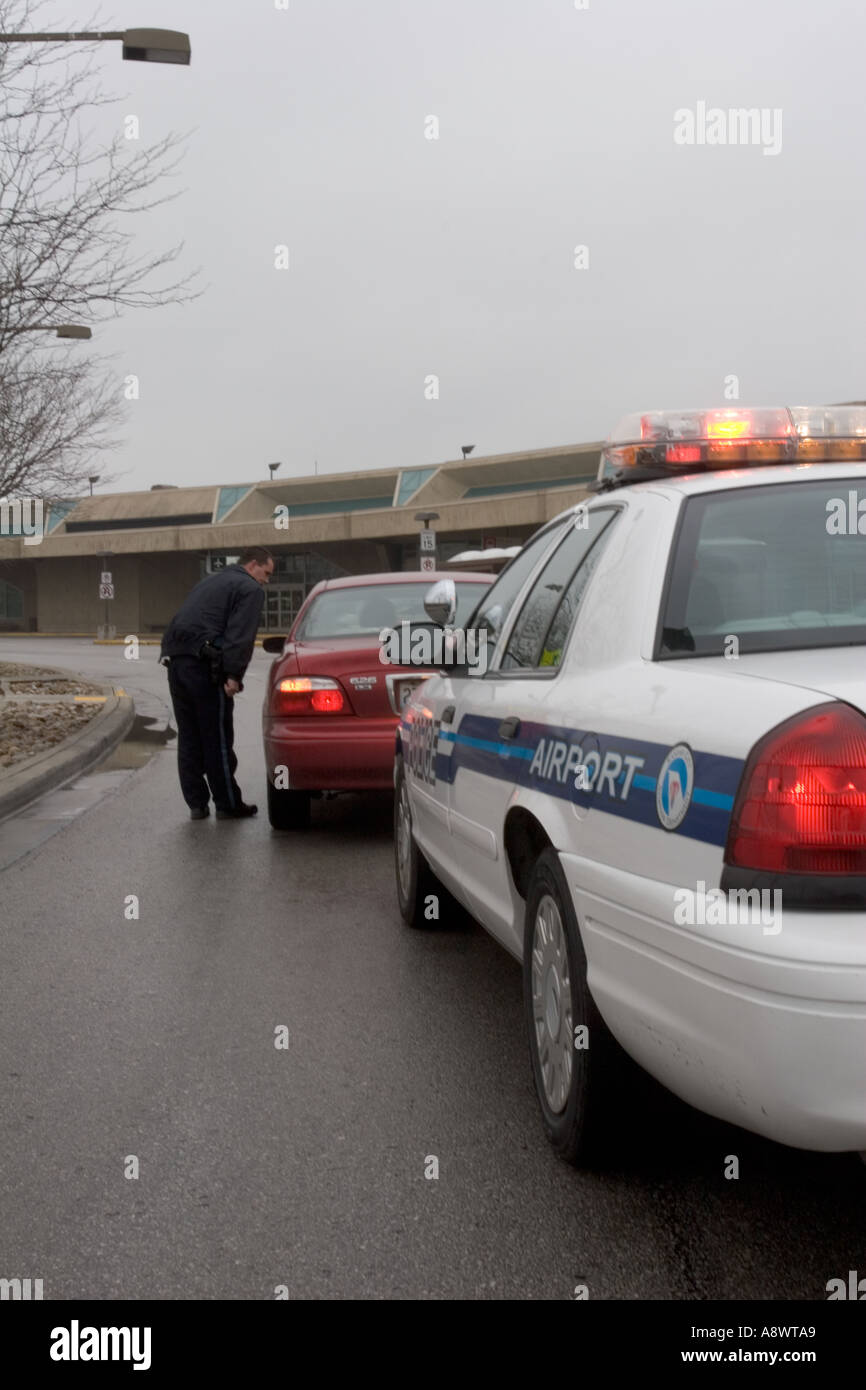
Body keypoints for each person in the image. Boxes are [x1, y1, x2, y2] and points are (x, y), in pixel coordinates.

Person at [160, 547, 274, 819]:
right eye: (266, 573)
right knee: (217, 738)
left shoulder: (211, 580)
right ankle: (227, 803)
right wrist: (233, 675)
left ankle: (196, 804)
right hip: (205, 667)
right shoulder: (249, 588)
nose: (266, 580)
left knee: (189, 737)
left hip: (176, 661)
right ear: (253, 565)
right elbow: (240, 636)